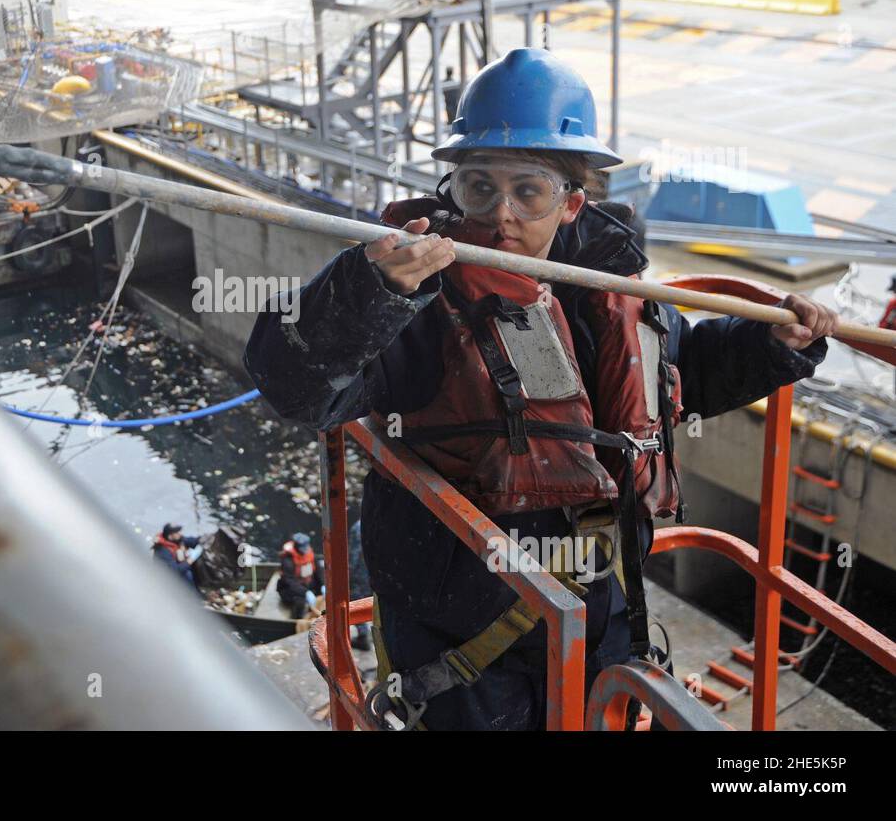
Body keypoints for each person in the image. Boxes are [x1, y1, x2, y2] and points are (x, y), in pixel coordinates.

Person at [243, 47, 839, 730]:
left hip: (603, 607)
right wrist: (364, 292)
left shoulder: (614, 290)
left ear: (571, 203)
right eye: (478, 188)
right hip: (464, 641)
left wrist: (774, 346)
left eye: (528, 191)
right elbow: (294, 386)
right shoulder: (423, 301)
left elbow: (681, 376)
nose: (501, 215)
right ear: (451, 191)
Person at [278, 532, 325, 619]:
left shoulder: (309, 554)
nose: (305, 549)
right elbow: (289, 582)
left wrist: (323, 584)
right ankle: (297, 618)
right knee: (300, 602)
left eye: (306, 546)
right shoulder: (288, 561)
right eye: (303, 547)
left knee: (325, 590)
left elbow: (318, 570)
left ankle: (316, 608)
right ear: (296, 547)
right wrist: (305, 592)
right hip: (291, 588)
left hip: (308, 583)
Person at [348, 517, 374, 651]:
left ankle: (363, 636)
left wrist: (349, 573)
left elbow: (354, 554)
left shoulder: (358, 527)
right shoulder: (378, 521)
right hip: (376, 572)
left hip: (361, 573)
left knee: (356, 601)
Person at [151, 523, 199, 588]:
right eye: (177, 532)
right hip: (166, 579)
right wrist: (190, 560)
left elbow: (190, 540)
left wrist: (202, 539)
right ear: (170, 535)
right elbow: (175, 571)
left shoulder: (176, 539)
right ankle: (195, 595)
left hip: (178, 565)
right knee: (188, 574)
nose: (180, 533)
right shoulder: (163, 551)